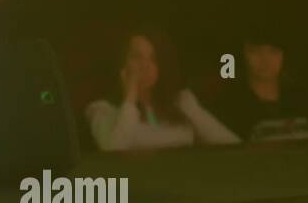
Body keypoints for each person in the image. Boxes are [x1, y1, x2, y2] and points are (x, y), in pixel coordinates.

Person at [85, 30, 239, 152]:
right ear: (123, 63)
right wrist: (130, 98)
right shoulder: (101, 109)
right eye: (136, 57)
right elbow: (112, 151)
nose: (144, 66)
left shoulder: (181, 101)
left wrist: (189, 109)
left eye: (153, 59)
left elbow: (231, 144)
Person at [214, 32, 308, 142]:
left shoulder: (303, 102)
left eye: (274, 52)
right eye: (255, 51)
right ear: (243, 54)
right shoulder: (231, 106)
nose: (265, 60)